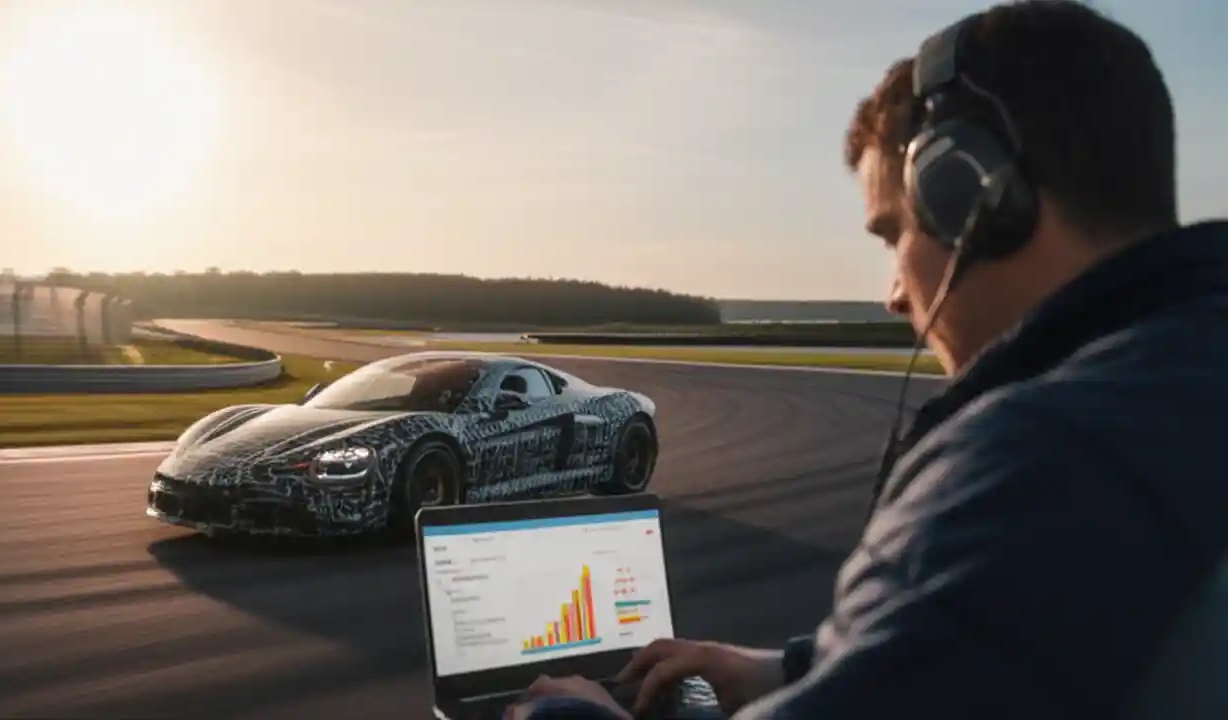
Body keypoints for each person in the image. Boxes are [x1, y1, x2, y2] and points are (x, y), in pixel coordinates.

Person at [504, 1, 1228, 718]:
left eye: (892, 235)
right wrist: (796, 669)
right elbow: (1039, 640)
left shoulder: (1038, 460)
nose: (892, 295)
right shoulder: (1180, 388)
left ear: (972, 195)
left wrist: (569, 715)